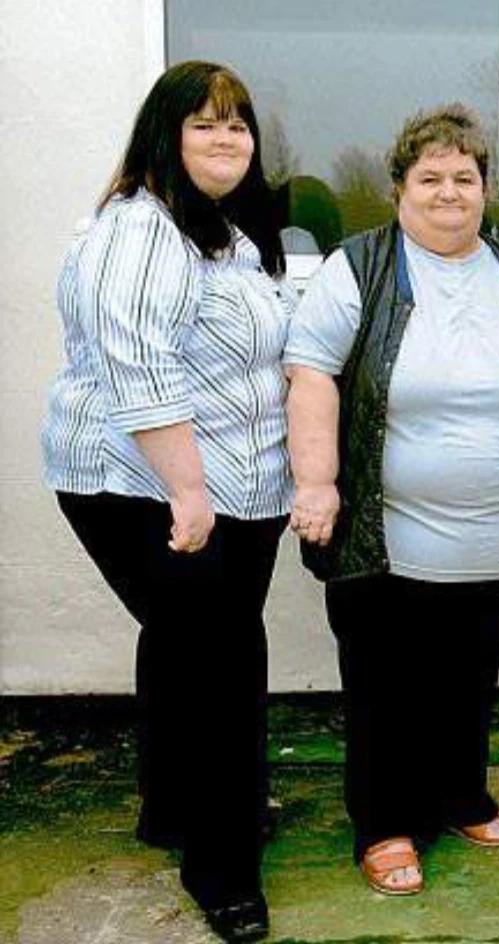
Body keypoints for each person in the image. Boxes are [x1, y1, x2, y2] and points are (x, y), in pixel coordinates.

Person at [41, 61, 292, 942]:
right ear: (164, 135)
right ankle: (223, 868)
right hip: (149, 484)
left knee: (189, 646)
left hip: (237, 484)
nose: (227, 139)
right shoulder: (141, 229)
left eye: (238, 124)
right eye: (204, 123)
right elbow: (138, 366)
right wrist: (187, 491)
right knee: (222, 662)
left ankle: (175, 807)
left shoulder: (220, 232)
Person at [284, 104, 499, 896]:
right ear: (399, 187)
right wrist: (317, 482)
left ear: (485, 189)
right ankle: (385, 821)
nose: (448, 192)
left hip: (496, 532)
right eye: (430, 177)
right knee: (386, 685)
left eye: (464, 177)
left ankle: (460, 793)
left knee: (470, 673)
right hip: (386, 531)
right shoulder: (358, 267)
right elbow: (311, 374)